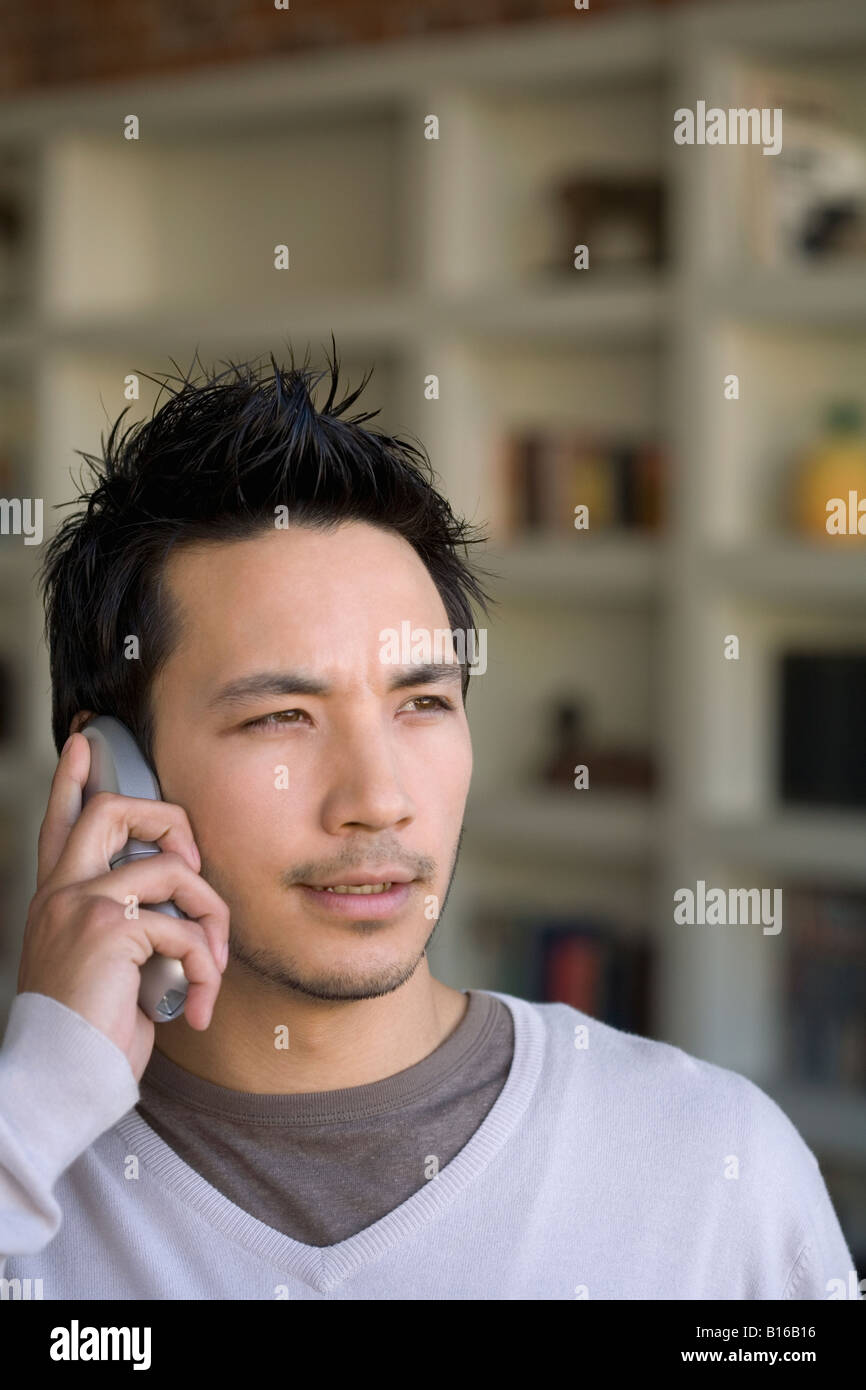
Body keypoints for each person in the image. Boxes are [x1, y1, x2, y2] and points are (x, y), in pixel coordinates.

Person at [0, 345, 857, 1299]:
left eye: (422, 704)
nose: (380, 799)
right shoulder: (28, 1167)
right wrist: (35, 1106)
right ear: (114, 771)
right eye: (282, 717)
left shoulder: (715, 1166)